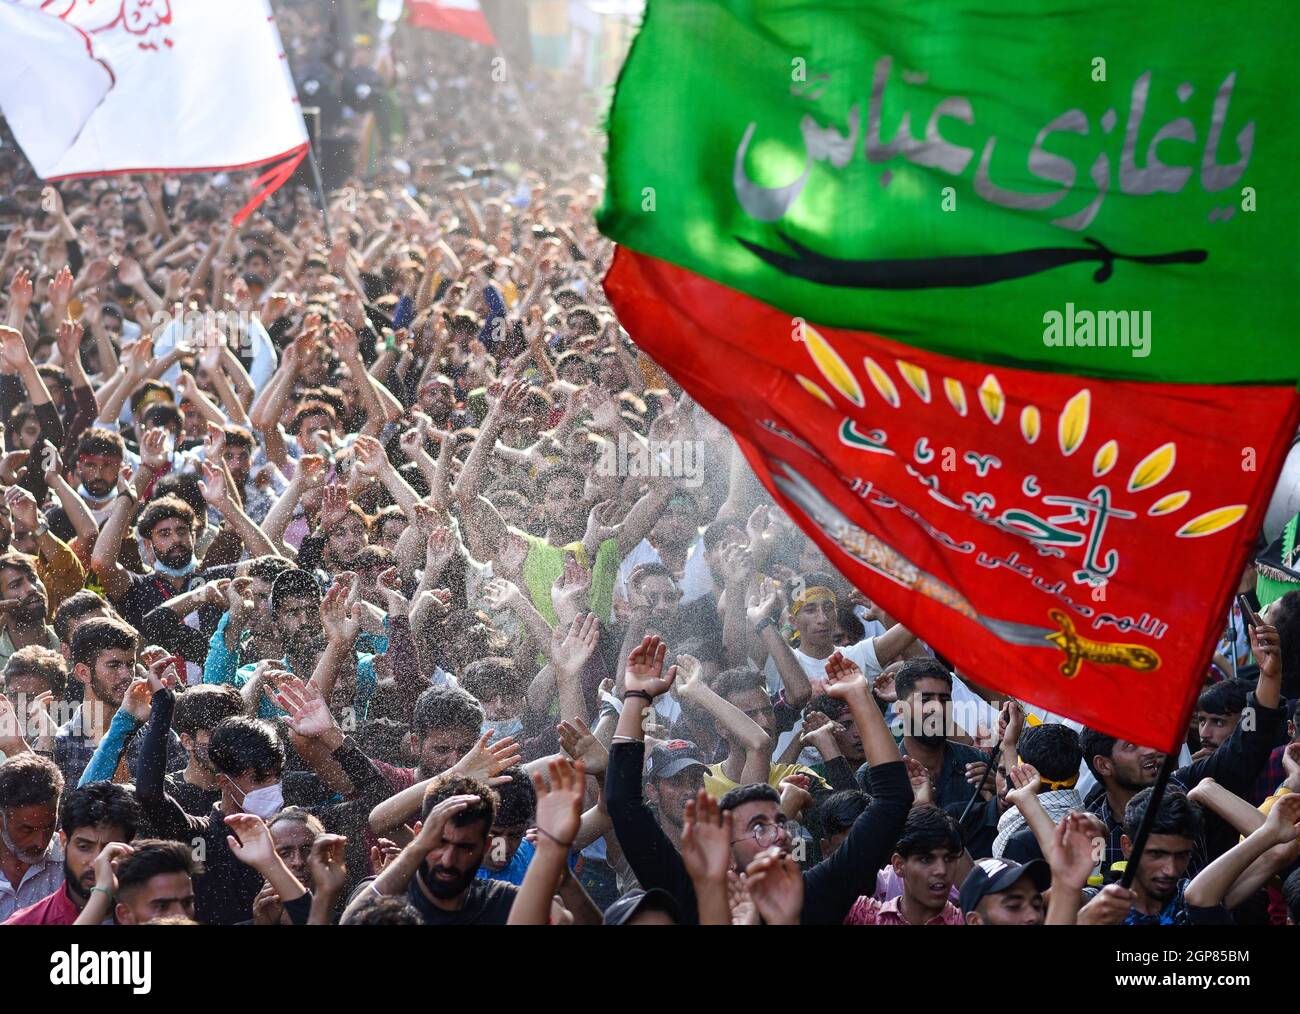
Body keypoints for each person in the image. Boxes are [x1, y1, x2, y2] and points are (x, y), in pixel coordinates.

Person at [3, 781, 139, 925]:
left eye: (109, 851)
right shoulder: (28, 922)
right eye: (84, 847)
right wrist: (102, 893)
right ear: (63, 842)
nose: (96, 862)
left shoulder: (153, 912)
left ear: (129, 848)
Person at [0, 752, 64, 921]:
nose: (41, 842)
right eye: (27, 830)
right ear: (1, 820)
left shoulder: (72, 863)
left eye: (50, 826)